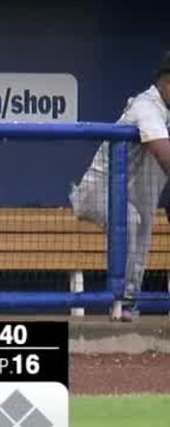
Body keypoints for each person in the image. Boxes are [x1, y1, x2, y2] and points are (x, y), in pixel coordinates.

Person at [70, 53, 170, 322]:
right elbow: (165, 155)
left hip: (134, 187)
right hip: (98, 190)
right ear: (165, 82)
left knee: (142, 228)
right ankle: (119, 301)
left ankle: (127, 303)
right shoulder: (146, 106)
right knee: (131, 220)